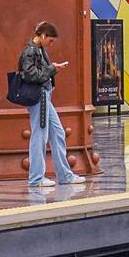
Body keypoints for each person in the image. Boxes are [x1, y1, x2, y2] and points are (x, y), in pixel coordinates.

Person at [17, 21, 85, 188]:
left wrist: (52, 68)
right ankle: (36, 178)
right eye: (50, 40)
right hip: (39, 96)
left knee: (57, 132)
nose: (51, 44)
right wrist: (52, 69)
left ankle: (64, 175)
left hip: (44, 96)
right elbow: (32, 75)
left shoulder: (38, 50)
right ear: (43, 36)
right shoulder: (30, 52)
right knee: (40, 136)